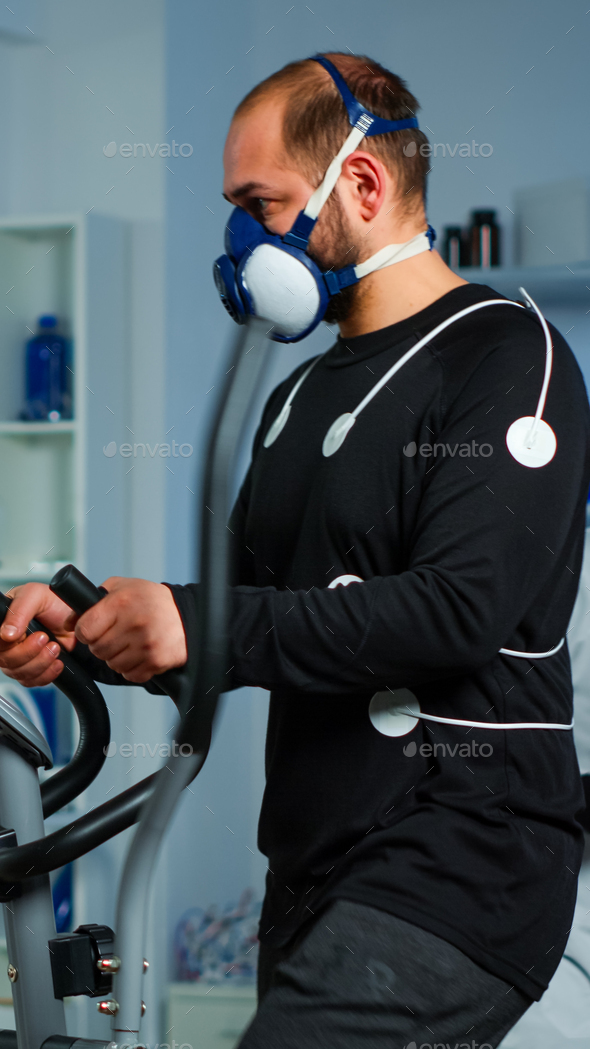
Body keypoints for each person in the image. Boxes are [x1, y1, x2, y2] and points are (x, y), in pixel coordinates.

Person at [1, 53, 589, 1049]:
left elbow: (458, 610)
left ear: (359, 183)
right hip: (313, 870)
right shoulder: (295, 397)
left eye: (258, 202)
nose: (240, 236)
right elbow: (239, 618)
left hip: (458, 857)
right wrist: (94, 629)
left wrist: (194, 622)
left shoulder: (504, 352)